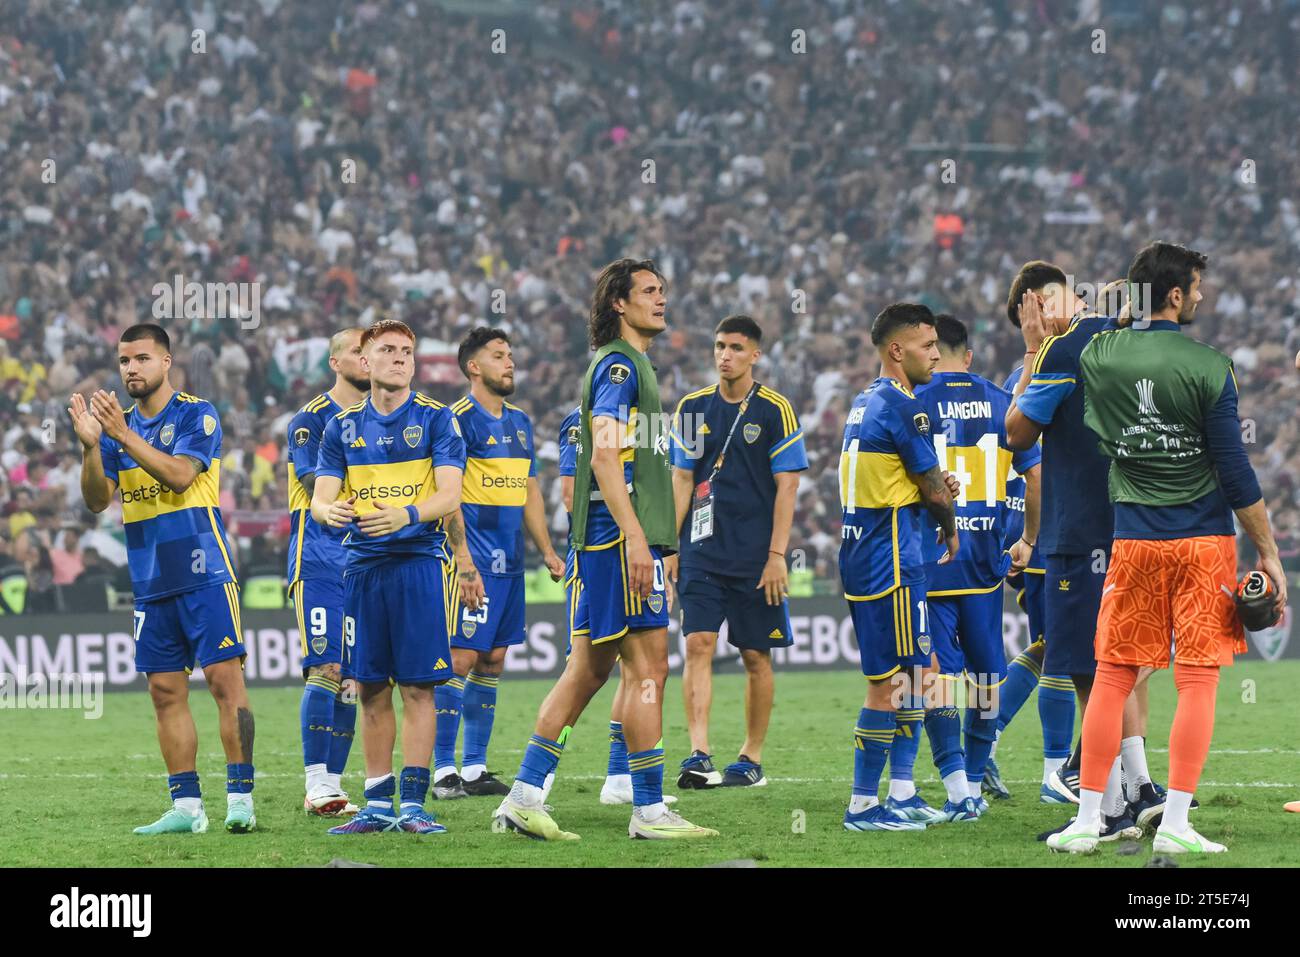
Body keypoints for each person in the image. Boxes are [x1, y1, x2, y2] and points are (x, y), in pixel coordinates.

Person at [1049, 242, 1287, 854]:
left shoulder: (1099, 354)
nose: (1202, 295)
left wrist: (1112, 306)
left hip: (1132, 539)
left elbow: (1093, 334)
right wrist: (1268, 552)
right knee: (1197, 679)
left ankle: (1085, 820)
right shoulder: (1211, 365)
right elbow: (1235, 472)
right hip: (1204, 541)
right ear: (1177, 295)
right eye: (1196, 287)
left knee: (1112, 675)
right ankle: (1175, 823)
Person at [492, 257, 717, 840]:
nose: (661, 299)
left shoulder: (632, 364)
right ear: (619, 302)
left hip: (609, 540)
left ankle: (521, 797)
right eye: (648, 291)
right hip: (617, 540)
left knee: (588, 670)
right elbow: (603, 457)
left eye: (663, 289)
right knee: (648, 669)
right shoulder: (620, 367)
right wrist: (639, 538)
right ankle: (647, 810)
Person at [70, 323, 256, 835]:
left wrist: (121, 437)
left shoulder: (198, 414)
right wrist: (91, 448)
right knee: (164, 692)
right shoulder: (113, 432)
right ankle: (188, 808)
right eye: (124, 360)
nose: (131, 368)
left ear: (166, 362)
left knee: (224, 682)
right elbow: (93, 501)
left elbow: (179, 476)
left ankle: (241, 799)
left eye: (142, 359)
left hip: (205, 571)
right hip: (150, 579)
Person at [1004, 263, 1156, 840]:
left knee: (1092, 671)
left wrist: (1032, 348)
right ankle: (1138, 788)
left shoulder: (1061, 350)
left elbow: (1016, 433)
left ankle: (1110, 803)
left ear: (1040, 305)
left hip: (1081, 531)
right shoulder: (1125, 337)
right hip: (1137, 522)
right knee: (1127, 662)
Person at [310, 319, 467, 835]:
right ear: (365, 361)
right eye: (388, 351)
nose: (400, 359)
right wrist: (327, 512)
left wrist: (405, 515)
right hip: (362, 571)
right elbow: (321, 498)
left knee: (420, 689)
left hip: (419, 566)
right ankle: (378, 807)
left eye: (407, 351)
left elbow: (450, 495)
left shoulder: (438, 420)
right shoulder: (341, 427)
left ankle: (415, 807)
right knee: (371, 688)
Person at [884, 313, 1041, 823]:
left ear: (934, 350)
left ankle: (953, 787)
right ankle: (973, 781)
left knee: (929, 680)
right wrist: (1027, 541)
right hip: (982, 566)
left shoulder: (909, 399)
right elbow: (1034, 475)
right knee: (987, 680)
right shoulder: (1002, 401)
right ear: (967, 354)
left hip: (925, 563)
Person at [670, 314, 807, 790]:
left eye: (735, 348)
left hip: (756, 557)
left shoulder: (775, 410)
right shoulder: (692, 407)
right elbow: (683, 478)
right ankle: (698, 753)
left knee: (755, 655)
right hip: (702, 552)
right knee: (697, 645)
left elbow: (787, 485)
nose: (724, 355)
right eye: (719, 346)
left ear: (755, 355)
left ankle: (750, 757)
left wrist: (776, 555)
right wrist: (670, 545)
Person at [839, 303, 959, 832]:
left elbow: (908, 481)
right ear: (897, 350)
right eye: (927, 345)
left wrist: (931, 490)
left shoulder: (870, 400)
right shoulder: (905, 407)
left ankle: (903, 791)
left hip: (882, 549)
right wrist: (948, 519)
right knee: (889, 682)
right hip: (887, 559)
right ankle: (863, 805)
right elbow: (933, 489)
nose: (935, 354)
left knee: (914, 674)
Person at [434, 327, 565, 799]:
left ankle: (474, 768)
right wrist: (463, 559)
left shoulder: (521, 422)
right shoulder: (455, 420)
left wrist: (547, 549)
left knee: (492, 660)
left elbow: (529, 489)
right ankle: (443, 771)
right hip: (471, 557)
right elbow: (447, 493)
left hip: (510, 559)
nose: (509, 363)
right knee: (460, 657)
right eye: (498, 356)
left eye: (511, 355)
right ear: (474, 367)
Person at [286, 327, 368, 817]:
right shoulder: (311, 420)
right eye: (357, 352)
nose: (366, 359)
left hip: (363, 560)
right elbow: (318, 484)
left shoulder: (380, 420)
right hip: (318, 556)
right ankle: (315, 781)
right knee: (326, 667)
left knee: (353, 677)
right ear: (335, 363)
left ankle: (333, 787)